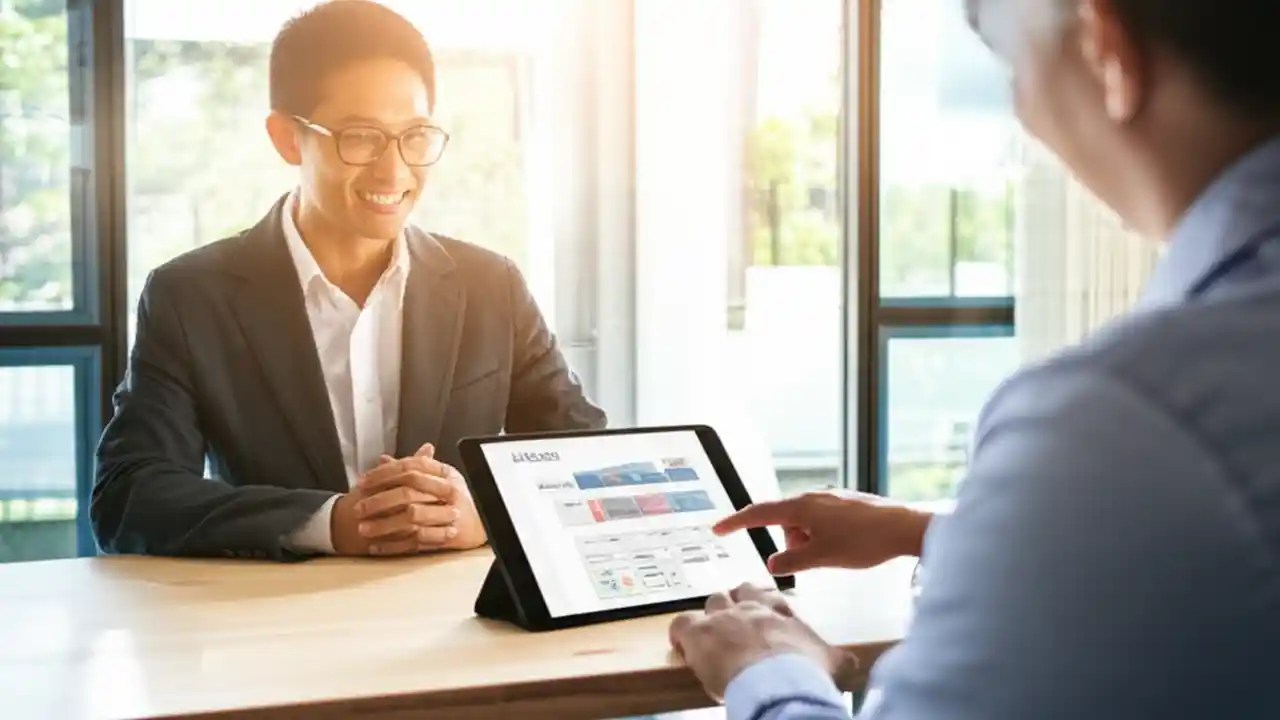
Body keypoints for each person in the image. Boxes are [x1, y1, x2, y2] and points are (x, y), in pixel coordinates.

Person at [669, 0, 1280, 717]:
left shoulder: (1128, 421)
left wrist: (770, 672)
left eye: (1007, 55)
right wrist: (929, 531)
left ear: (1106, 46)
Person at [91, 0, 605, 562]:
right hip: (278, 609)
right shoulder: (191, 296)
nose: (394, 170)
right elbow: (128, 497)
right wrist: (329, 523)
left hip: (457, 608)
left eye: (415, 135)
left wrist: (486, 514)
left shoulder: (491, 287)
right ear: (287, 138)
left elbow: (591, 465)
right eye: (361, 137)